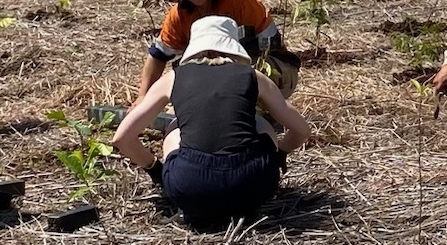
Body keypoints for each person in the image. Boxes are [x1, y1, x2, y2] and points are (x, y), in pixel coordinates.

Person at [116, 15, 312, 231]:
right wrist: (279, 155)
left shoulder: (173, 78)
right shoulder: (252, 76)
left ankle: (193, 209)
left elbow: (122, 138)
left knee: (175, 128)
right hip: (255, 184)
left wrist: (155, 169)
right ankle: (244, 208)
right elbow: (301, 130)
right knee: (260, 123)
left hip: (190, 187)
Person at [138, 0, 293, 100]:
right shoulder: (179, 15)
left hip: (265, 69)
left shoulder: (239, 0)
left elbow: (271, 45)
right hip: (215, 78)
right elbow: (158, 55)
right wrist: (143, 97)